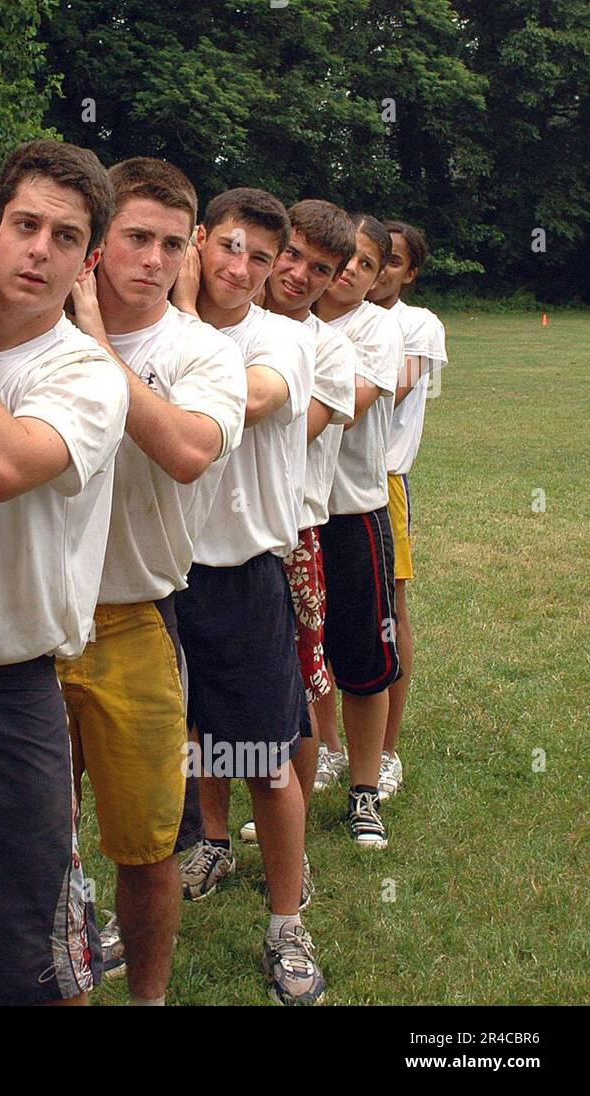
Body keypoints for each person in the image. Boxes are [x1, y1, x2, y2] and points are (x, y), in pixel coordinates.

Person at [0, 139, 127, 1005]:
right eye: (26, 225)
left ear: (87, 261)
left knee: (34, 964)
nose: (40, 249)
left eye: (66, 236)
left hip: (9, 696)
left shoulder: (84, 373)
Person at [58, 158, 246, 1004]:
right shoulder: (28, 324)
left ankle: (150, 997)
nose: (155, 259)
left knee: (148, 845)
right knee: (30, 839)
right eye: (136, 237)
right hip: (29, 620)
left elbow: (185, 452)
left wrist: (96, 346)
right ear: (99, 240)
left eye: (173, 244)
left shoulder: (203, 350)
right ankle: (50, 979)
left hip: (137, 615)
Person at [171, 188, 325, 1005]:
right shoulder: (163, 323)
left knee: (265, 761)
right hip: (159, 575)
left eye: (260, 258)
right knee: (195, 739)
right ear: (200, 240)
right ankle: (213, 846)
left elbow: (244, 399)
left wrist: (173, 321)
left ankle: (286, 923)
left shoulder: (284, 341)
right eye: (228, 246)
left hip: (243, 573)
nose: (242, 268)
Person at [236, 201, 358, 906]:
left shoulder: (328, 348)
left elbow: (289, 430)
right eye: (292, 255)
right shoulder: (217, 319)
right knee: (206, 701)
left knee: (302, 691)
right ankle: (213, 837)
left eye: (322, 268)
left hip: (291, 534)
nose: (300, 274)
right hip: (206, 538)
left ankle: (294, 840)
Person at [313, 213, 405, 849]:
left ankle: (364, 790)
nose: (349, 270)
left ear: (376, 279)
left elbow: (347, 408)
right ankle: (314, 760)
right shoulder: (281, 313)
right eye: (343, 256)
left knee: (363, 661)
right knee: (297, 659)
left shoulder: (377, 329)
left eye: (367, 264)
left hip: (352, 515)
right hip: (288, 520)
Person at [367, 221, 447, 799]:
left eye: (392, 262)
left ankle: (387, 750)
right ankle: (333, 750)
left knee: (389, 610)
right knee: (317, 617)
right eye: (372, 260)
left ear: (409, 272)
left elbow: (384, 391)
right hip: (317, 486)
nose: (379, 271)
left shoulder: (416, 325)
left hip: (382, 481)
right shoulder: (325, 318)